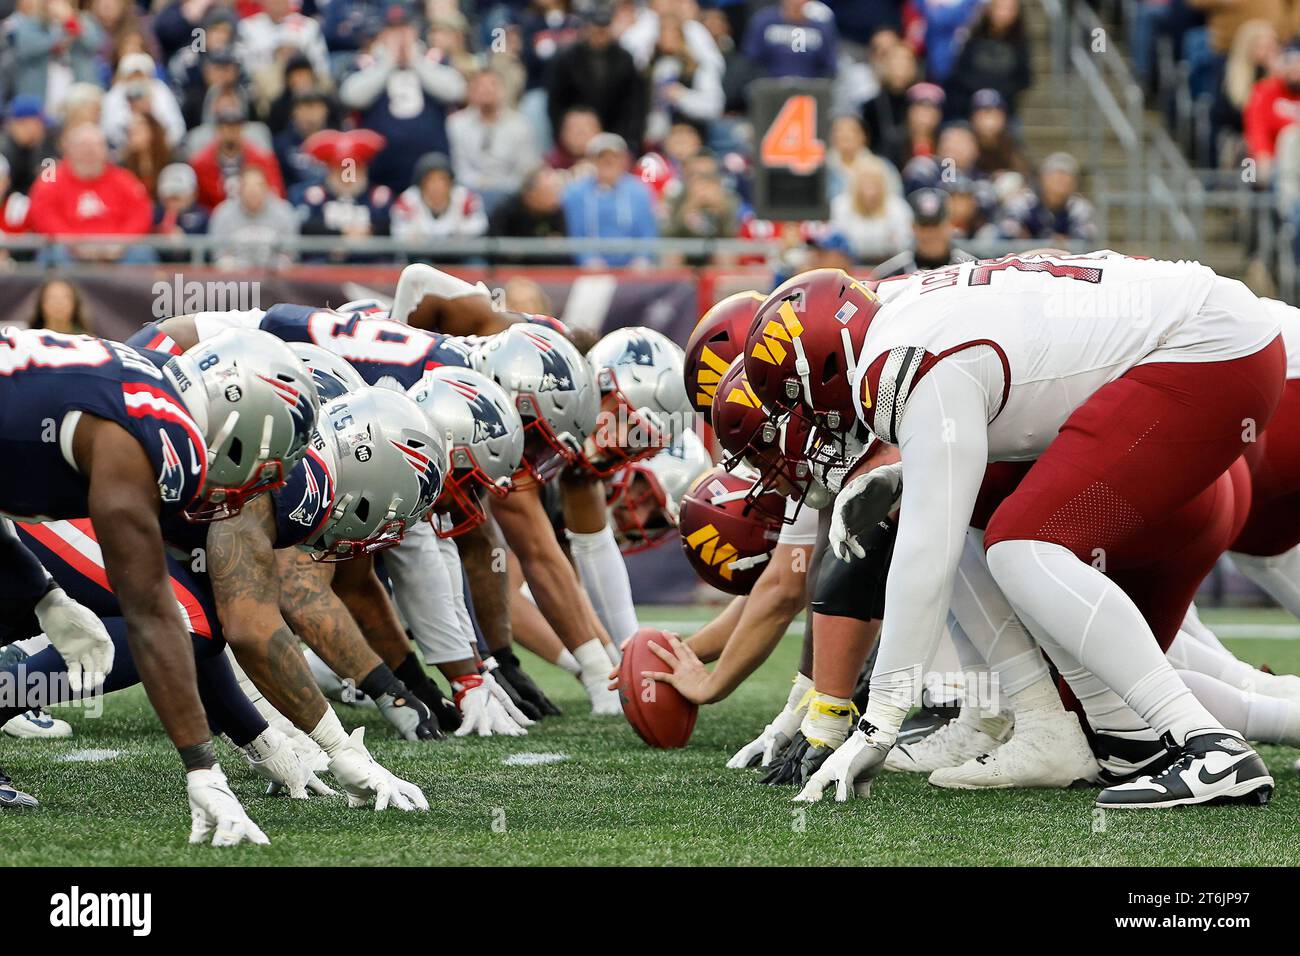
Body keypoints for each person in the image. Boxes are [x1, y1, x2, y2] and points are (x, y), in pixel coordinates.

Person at [749, 256, 1284, 809]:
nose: (810, 425)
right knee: (1004, 532)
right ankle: (1125, 736)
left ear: (828, 370)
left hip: (1208, 349)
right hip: (1213, 338)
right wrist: (903, 472)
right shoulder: (898, 309)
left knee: (1024, 546)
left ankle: (1209, 746)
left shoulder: (897, 364)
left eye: (800, 405)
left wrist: (879, 721)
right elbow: (1024, 387)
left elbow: (924, 557)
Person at [0, 327, 317, 836]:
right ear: (239, 428)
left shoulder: (145, 386)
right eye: (264, 461)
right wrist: (203, 770)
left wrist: (41, 595)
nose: (258, 483)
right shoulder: (156, 433)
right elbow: (150, 609)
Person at [338, 2, 467, 193]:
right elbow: (351, 96)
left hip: (431, 167)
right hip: (380, 168)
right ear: (382, 33)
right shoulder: (367, 62)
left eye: (404, 28)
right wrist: (387, 63)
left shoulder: (433, 59)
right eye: (392, 29)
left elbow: (456, 90)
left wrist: (416, 61)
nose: (399, 36)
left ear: (415, 30)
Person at [26, 124, 155, 264]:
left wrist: (120, 243)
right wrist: (74, 243)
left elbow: (141, 212)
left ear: (106, 150)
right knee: (55, 253)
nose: (89, 152)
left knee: (141, 252)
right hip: (68, 249)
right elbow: (43, 215)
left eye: (96, 146)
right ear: (68, 149)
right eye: (83, 146)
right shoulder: (50, 180)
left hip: (117, 250)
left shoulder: (123, 179)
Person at [546, 6, 648, 152]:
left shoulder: (624, 59)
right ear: (586, 29)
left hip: (616, 130)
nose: (600, 34)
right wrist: (562, 135)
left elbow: (634, 103)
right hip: (577, 132)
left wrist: (630, 138)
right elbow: (556, 102)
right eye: (596, 29)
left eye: (604, 29)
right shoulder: (567, 59)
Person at [446, 67, 539, 213]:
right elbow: (460, 169)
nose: (486, 90)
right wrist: (482, 185)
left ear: (504, 90)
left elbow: (524, 170)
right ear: (471, 91)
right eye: (480, 85)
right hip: (469, 193)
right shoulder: (456, 124)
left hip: (510, 194)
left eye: (492, 84)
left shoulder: (520, 125)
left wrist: (498, 186)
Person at [561, 133, 658, 268]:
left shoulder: (641, 191)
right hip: (591, 269)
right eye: (602, 156)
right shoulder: (575, 193)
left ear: (625, 159)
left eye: (615, 156)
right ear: (592, 160)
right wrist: (587, 259)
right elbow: (575, 232)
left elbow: (647, 231)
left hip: (634, 268)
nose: (609, 161)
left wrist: (642, 258)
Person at [189, 103, 287, 212]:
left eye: (235, 127)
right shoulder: (200, 163)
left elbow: (276, 194)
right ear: (217, 130)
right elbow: (197, 202)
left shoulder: (262, 159)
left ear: (242, 129)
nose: (230, 132)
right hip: (214, 218)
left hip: (255, 216)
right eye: (225, 127)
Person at [944, 0, 1033, 117]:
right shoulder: (973, 39)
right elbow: (959, 73)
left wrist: (998, 96)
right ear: (989, 10)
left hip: (1005, 112)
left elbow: (1024, 79)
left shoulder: (1020, 45)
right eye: (1000, 8)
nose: (1003, 13)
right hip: (970, 110)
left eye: (1009, 9)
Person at [391, 151, 488, 250]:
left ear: (450, 182)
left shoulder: (466, 198)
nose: (437, 186)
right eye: (430, 180)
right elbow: (401, 235)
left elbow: (478, 228)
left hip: (460, 255)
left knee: (474, 262)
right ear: (421, 183)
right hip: (420, 254)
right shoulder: (407, 201)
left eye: (442, 179)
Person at [209, 166, 301, 270]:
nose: (253, 192)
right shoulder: (224, 213)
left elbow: (290, 254)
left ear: (267, 188)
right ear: (240, 190)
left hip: (273, 279)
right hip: (235, 279)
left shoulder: (284, 212)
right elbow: (219, 254)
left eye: (258, 186)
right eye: (248, 187)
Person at [870, 187, 971, 277]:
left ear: (950, 224)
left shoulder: (970, 269)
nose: (930, 233)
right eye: (924, 226)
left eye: (936, 225)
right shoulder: (890, 274)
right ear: (913, 227)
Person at [829, 154, 912, 263]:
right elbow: (837, 242)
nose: (870, 191)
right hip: (851, 265)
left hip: (888, 265)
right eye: (865, 184)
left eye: (875, 184)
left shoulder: (897, 206)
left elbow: (905, 242)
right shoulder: (840, 205)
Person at [101, 52, 187, 152]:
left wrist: (161, 145)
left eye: (141, 75)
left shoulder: (159, 89)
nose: (137, 80)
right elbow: (109, 130)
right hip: (125, 151)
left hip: (162, 149)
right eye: (133, 75)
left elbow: (177, 127)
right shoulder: (115, 94)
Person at [741, 0, 839, 79]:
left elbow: (829, 65)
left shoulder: (821, 27)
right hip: (770, 86)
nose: (796, 2)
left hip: (810, 87)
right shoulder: (764, 21)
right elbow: (751, 59)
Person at [0, 95, 56, 197]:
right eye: (39, 123)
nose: (43, 129)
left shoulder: (32, 147)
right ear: (25, 123)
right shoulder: (5, 152)